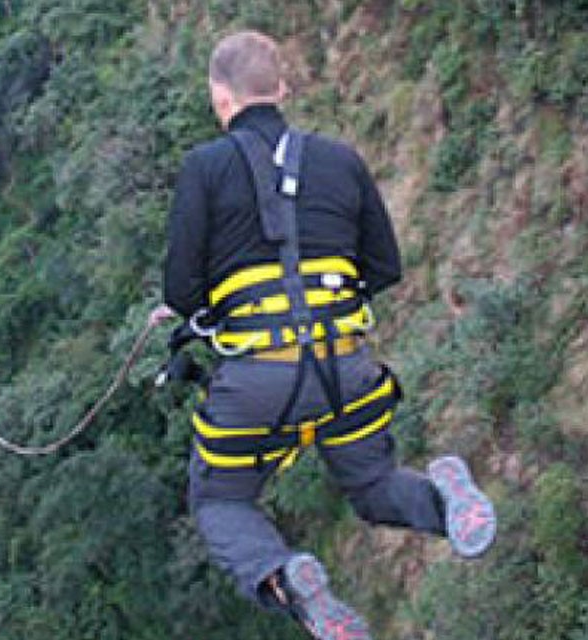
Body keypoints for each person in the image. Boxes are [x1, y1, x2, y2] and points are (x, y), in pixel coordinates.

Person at [151, 30, 496, 640]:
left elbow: (182, 291)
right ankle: (446, 501)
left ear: (220, 97)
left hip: (255, 385)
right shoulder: (341, 160)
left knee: (221, 502)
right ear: (282, 89)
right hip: (345, 371)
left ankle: (286, 576)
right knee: (373, 486)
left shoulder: (204, 167)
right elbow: (383, 268)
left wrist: (218, 308)